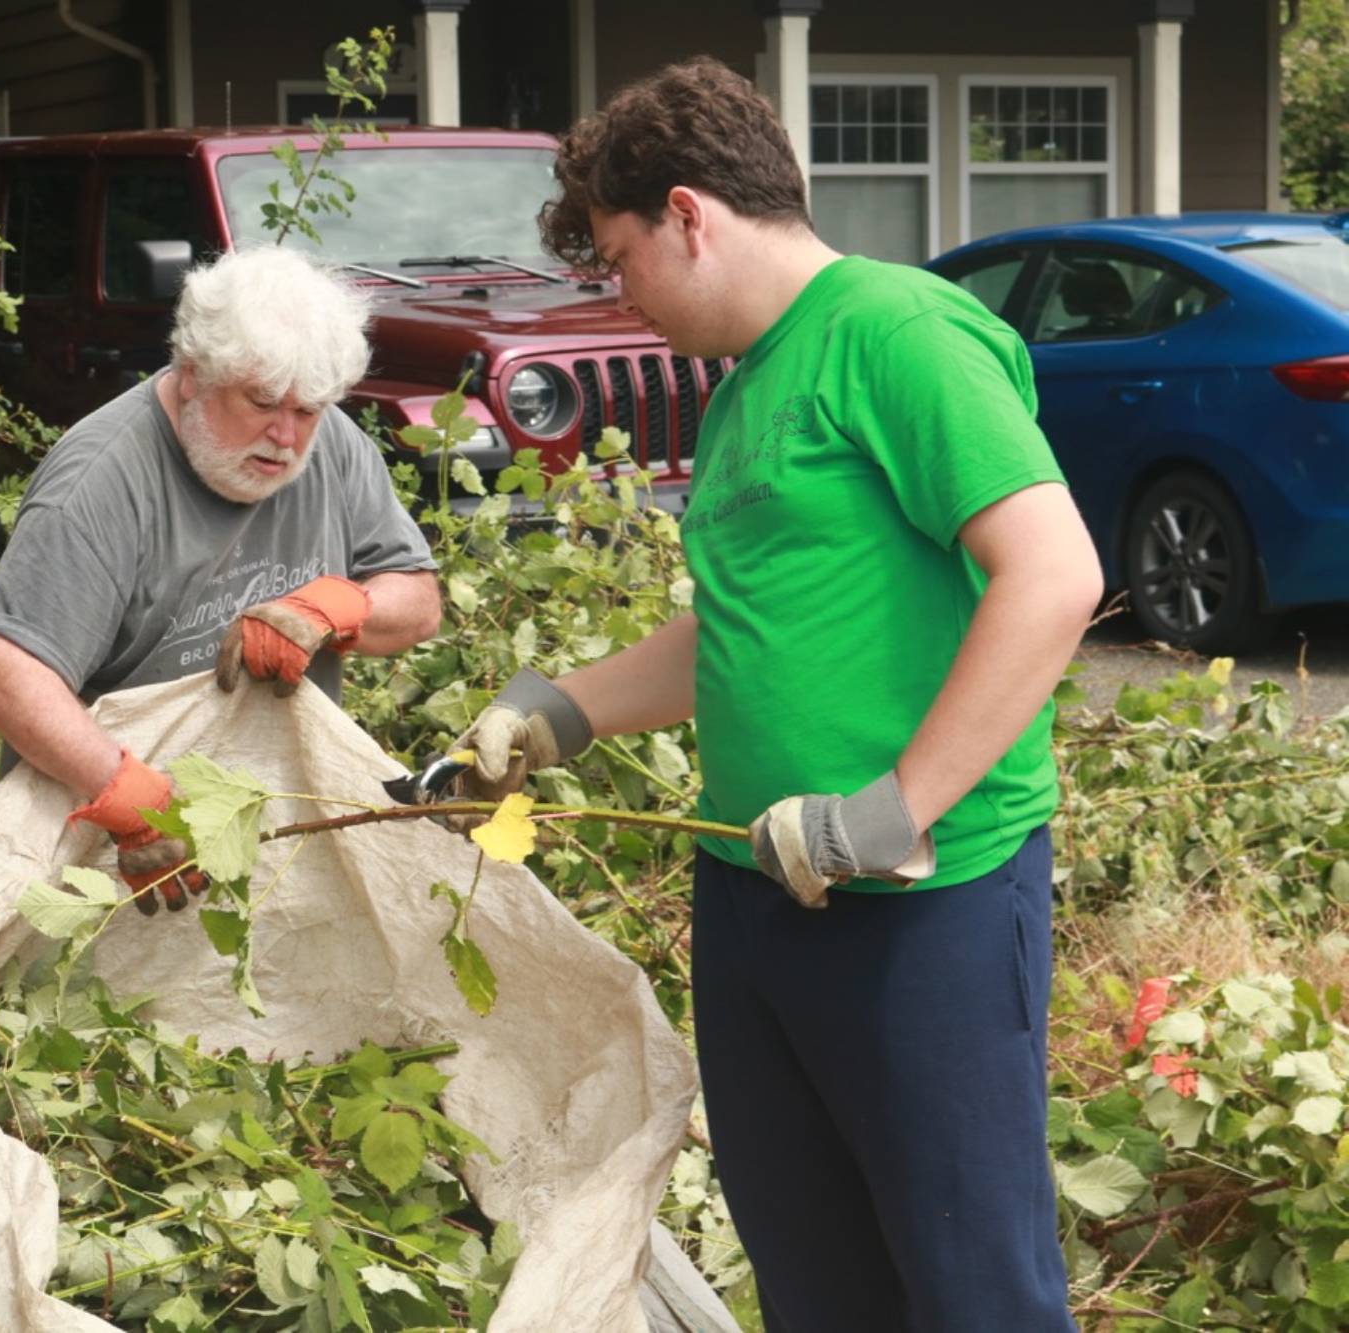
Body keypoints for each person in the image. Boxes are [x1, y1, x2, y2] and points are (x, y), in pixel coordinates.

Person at [446, 59, 1103, 1331]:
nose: (620, 295)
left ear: (689, 214)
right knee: (815, 1279)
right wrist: (556, 708)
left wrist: (895, 809)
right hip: (759, 894)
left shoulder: (895, 335)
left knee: (971, 1289)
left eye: (618, 256)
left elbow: (1053, 575)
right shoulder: (749, 385)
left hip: (923, 909)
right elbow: (747, 632)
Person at [0, 247, 442, 915]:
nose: (286, 436)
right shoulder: (101, 484)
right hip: (103, 850)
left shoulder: (329, 442)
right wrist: (130, 798)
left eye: (307, 410)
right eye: (260, 402)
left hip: (275, 825)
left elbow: (419, 601)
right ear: (192, 375)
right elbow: (5, 674)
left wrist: (336, 607)